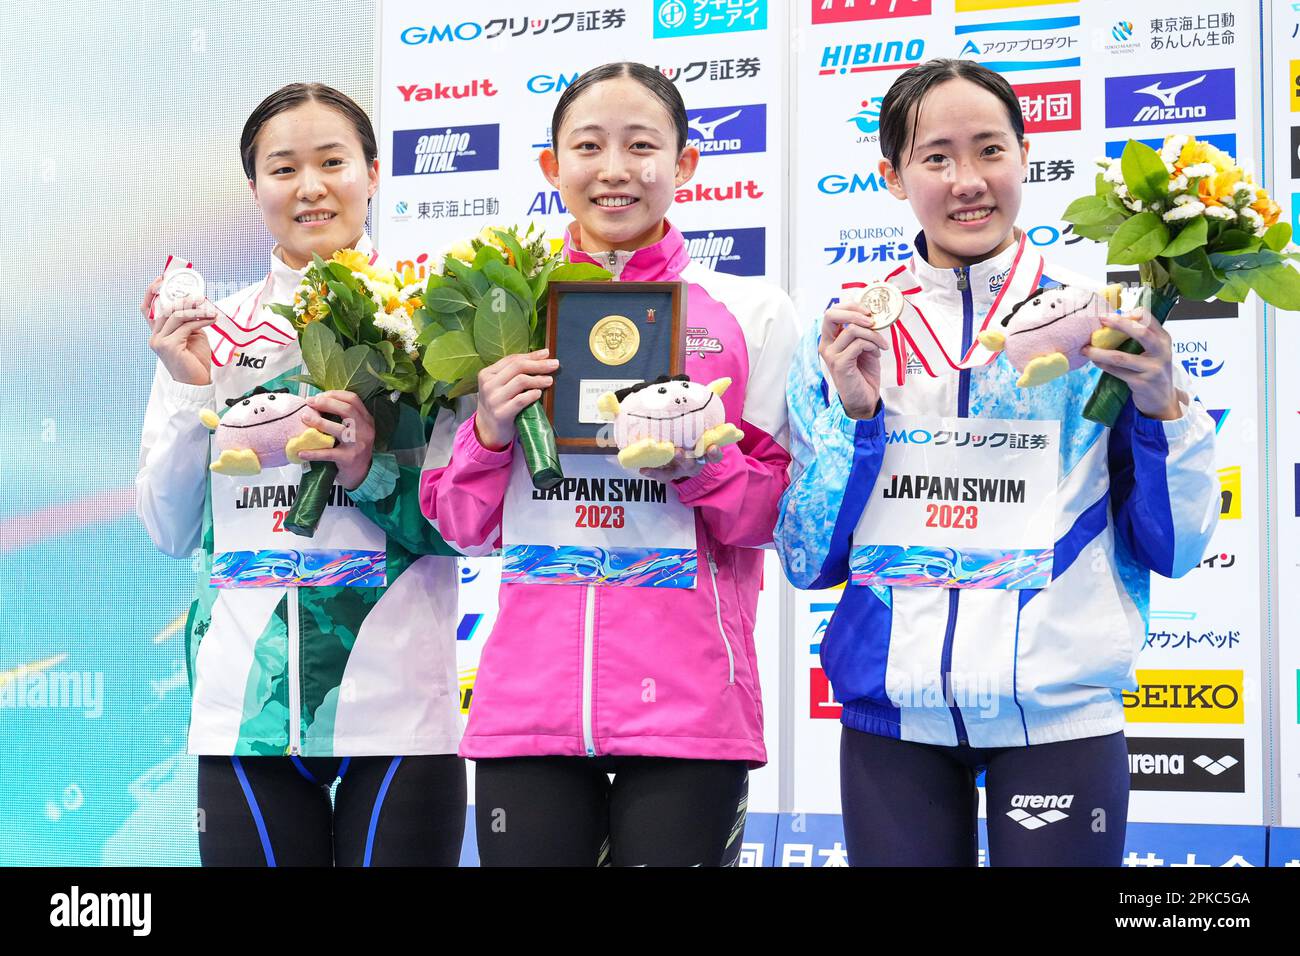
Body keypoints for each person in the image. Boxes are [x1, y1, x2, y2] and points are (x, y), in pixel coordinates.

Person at [775, 58, 1220, 866]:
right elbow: (809, 558)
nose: (967, 180)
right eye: (935, 157)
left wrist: (1164, 406)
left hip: (1059, 716)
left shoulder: (1106, 326)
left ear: (1025, 154)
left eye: (988, 150)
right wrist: (857, 415)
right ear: (892, 175)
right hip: (893, 719)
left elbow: (1179, 546)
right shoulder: (849, 333)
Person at [419, 62, 799, 866]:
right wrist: (489, 431)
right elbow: (457, 524)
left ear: (685, 163)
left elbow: (775, 516)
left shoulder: (750, 313)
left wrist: (699, 462)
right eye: (589, 146)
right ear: (553, 168)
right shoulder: (502, 308)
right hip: (530, 704)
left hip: (693, 708)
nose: (615, 168)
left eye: (642, 145)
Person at [136, 83, 465, 866]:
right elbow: (167, 527)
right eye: (283, 168)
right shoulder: (208, 339)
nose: (310, 186)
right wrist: (188, 390)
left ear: (374, 173)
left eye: (332, 161)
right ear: (255, 188)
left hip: (397, 706)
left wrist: (369, 470)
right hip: (246, 712)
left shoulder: (431, 326)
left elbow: (467, 525)